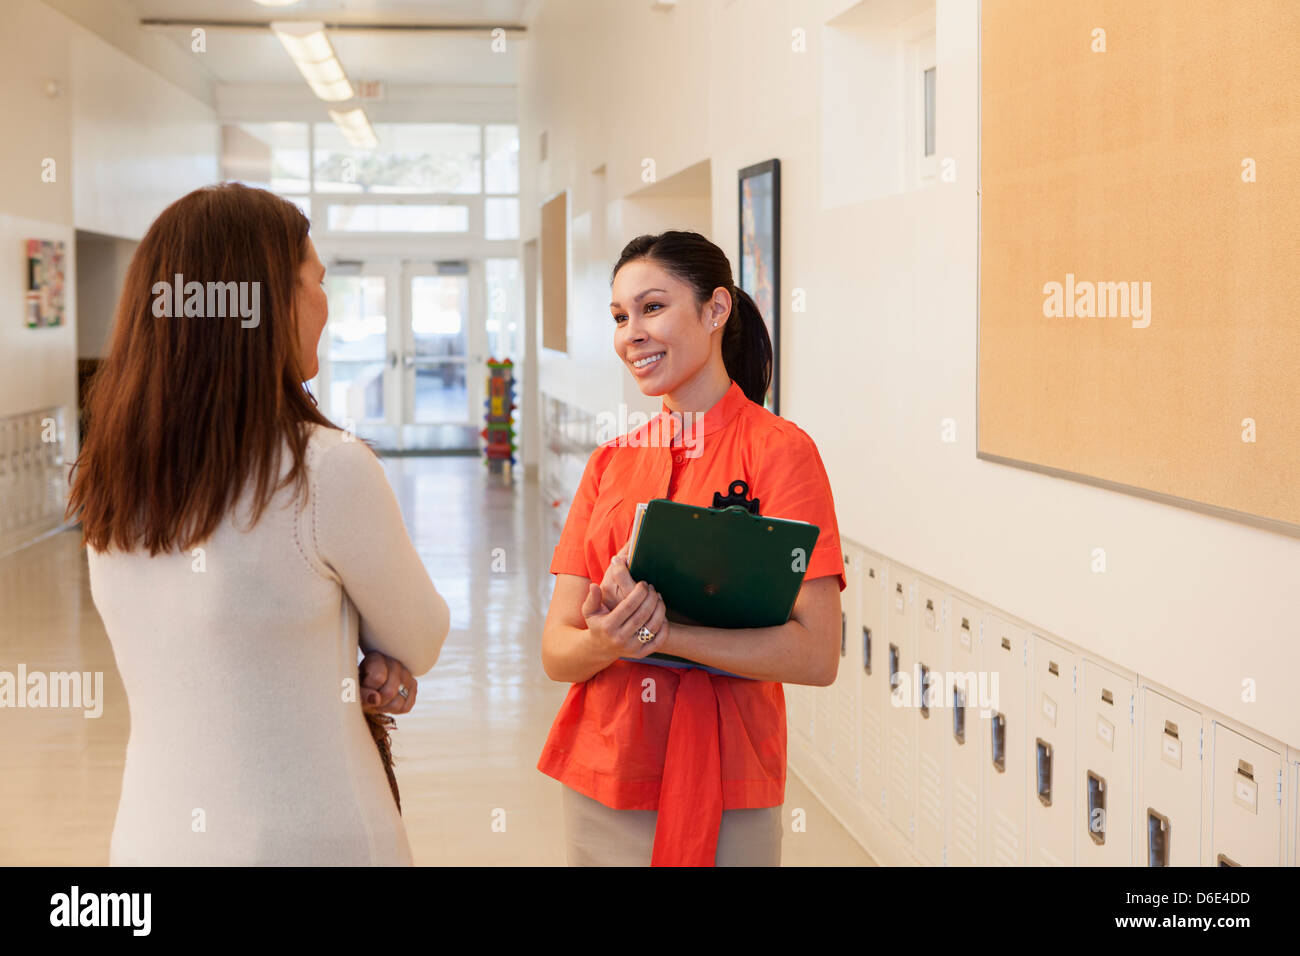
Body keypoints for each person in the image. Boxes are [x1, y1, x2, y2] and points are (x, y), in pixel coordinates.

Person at [67, 183, 449, 865]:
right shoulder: (324, 469)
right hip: (314, 840)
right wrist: (372, 653)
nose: (326, 304)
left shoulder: (109, 478)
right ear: (269, 302)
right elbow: (419, 637)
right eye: (316, 281)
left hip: (152, 839)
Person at [539, 230, 846, 866]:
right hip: (605, 772)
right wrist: (606, 640)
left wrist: (662, 637)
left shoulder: (781, 453)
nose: (631, 334)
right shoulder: (610, 464)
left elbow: (817, 654)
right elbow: (558, 651)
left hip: (729, 778)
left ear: (715, 310)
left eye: (652, 308)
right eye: (621, 317)